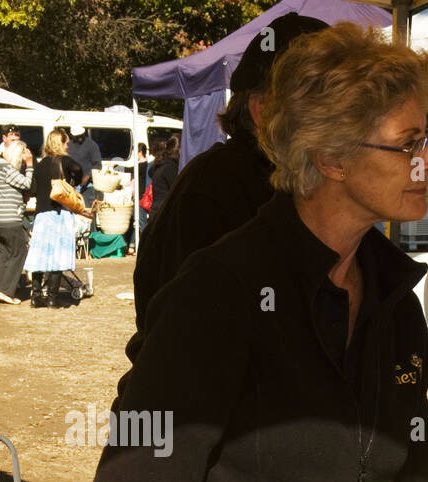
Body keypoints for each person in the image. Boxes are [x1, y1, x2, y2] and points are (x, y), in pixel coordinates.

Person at [70, 24, 428, 482]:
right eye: (408, 143)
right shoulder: (221, 290)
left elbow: (407, 471)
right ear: (331, 159)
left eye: (427, 139)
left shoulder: (393, 297)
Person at [127, 12, 326, 376]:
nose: (344, 119)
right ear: (263, 110)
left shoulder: (306, 181)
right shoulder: (216, 185)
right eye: (323, 100)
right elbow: (182, 334)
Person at [24, 128, 85, 308]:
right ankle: (52, 297)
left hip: (42, 214)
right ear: (61, 142)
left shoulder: (40, 164)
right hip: (60, 213)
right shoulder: (64, 160)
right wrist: (73, 182)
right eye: (66, 142)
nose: (68, 146)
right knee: (59, 256)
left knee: (39, 255)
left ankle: (36, 296)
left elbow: (34, 190)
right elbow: (78, 168)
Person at [0, 140, 34, 305]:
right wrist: (30, 165)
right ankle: (6, 291)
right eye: (22, 155)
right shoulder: (7, 169)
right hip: (9, 219)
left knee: (3, 255)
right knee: (19, 252)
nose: (23, 159)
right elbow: (26, 183)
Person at [67, 124, 102, 204]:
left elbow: (97, 164)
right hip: (71, 185)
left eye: (80, 135)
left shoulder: (91, 145)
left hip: (87, 186)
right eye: (77, 136)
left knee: (86, 210)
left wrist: (87, 176)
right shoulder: (68, 145)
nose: (79, 138)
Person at [146, 134, 180, 218]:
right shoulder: (170, 167)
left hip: (157, 211)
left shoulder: (161, 164)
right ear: (178, 149)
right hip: (164, 214)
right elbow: (177, 190)